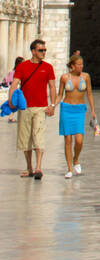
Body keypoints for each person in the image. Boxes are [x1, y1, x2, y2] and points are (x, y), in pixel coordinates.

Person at [9, 38, 56, 179]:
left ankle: (38, 167)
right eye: (41, 50)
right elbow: (14, 84)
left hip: (41, 107)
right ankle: (29, 167)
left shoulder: (48, 67)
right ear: (33, 51)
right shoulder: (22, 67)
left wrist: (52, 105)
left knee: (38, 137)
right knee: (26, 138)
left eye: (45, 50)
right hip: (25, 108)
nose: (43, 53)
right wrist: (11, 100)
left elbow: (52, 86)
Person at [57, 50, 96, 178]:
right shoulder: (64, 77)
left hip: (79, 110)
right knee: (68, 140)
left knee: (79, 140)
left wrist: (93, 110)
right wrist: (52, 106)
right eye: (79, 64)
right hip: (66, 109)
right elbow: (60, 95)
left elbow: (89, 93)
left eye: (82, 64)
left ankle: (76, 159)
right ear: (72, 66)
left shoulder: (86, 77)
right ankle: (69, 168)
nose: (81, 66)